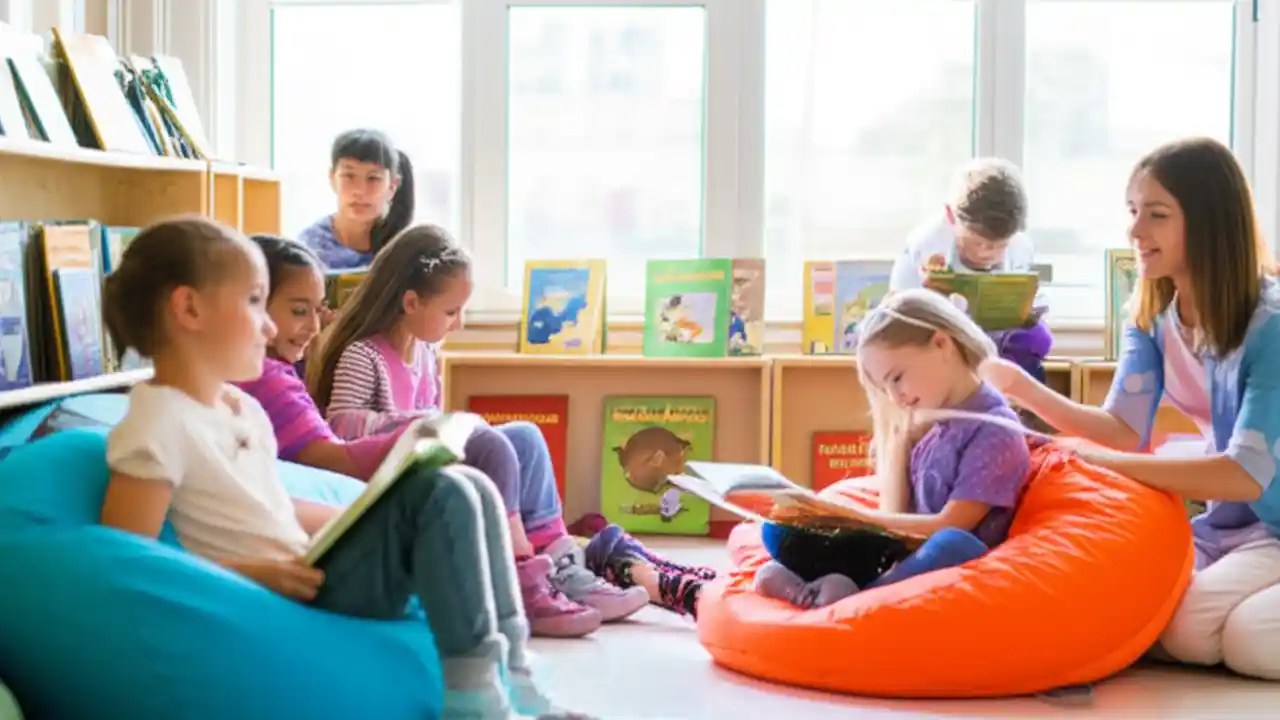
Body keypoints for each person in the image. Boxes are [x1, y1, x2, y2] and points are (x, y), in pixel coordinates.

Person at [96, 216, 585, 719]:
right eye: (252, 304)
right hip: (284, 588)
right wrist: (254, 572)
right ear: (189, 308)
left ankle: (516, 674)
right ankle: (473, 700)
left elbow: (271, 502)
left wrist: (370, 512)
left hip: (315, 559)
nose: (268, 327)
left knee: (469, 485)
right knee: (447, 495)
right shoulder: (157, 419)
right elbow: (128, 559)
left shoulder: (240, 409)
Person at [980, 136, 1280, 681]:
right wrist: (1021, 389)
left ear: (1211, 223)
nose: (1136, 232)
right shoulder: (1155, 315)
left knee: (1242, 638)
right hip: (1235, 525)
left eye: (1157, 215)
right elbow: (1121, 430)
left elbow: (1245, 474)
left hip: (1265, 514)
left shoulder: (1272, 326)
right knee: (1167, 622)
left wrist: (1104, 464)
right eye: (1133, 212)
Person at [241, 234, 648, 635]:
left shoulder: (284, 371)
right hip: (361, 474)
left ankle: (560, 563)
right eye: (299, 311)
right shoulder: (337, 362)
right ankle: (521, 578)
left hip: (369, 463)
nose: (315, 326)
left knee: (523, 435)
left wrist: (436, 426)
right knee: (490, 447)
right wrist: (420, 430)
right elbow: (339, 436)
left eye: (318, 310)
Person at [589, 290, 1031, 616]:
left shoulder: (995, 432)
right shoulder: (934, 422)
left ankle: (859, 597)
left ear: (941, 344)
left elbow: (945, 528)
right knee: (777, 535)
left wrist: (862, 522)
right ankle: (822, 590)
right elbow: (898, 522)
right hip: (903, 553)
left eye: (898, 378)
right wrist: (826, 512)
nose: (895, 396)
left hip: (947, 559)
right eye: (884, 387)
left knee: (955, 545)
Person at [890, 158, 1053, 384]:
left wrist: (1030, 312)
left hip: (997, 342)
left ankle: (1015, 407)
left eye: (1000, 246)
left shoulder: (1020, 247)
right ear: (950, 216)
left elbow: (1036, 301)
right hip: (944, 346)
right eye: (976, 243)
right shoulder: (924, 247)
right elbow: (897, 316)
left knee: (1038, 339)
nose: (987, 253)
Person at [298, 128, 414, 270]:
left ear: (392, 186)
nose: (359, 190)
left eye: (373, 178)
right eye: (349, 176)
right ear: (332, 178)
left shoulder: (406, 248)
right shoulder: (310, 247)